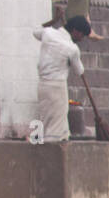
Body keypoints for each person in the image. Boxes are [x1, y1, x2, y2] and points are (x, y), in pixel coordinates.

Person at [32, 15, 91, 143]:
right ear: (75, 31)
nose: (81, 39)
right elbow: (79, 71)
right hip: (57, 88)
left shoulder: (48, 33)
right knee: (56, 128)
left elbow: (36, 31)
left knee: (46, 120)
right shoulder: (72, 48)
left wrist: (54, 20)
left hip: (42, 86)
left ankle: (43, 146)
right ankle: (52, 154)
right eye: (82, 35)